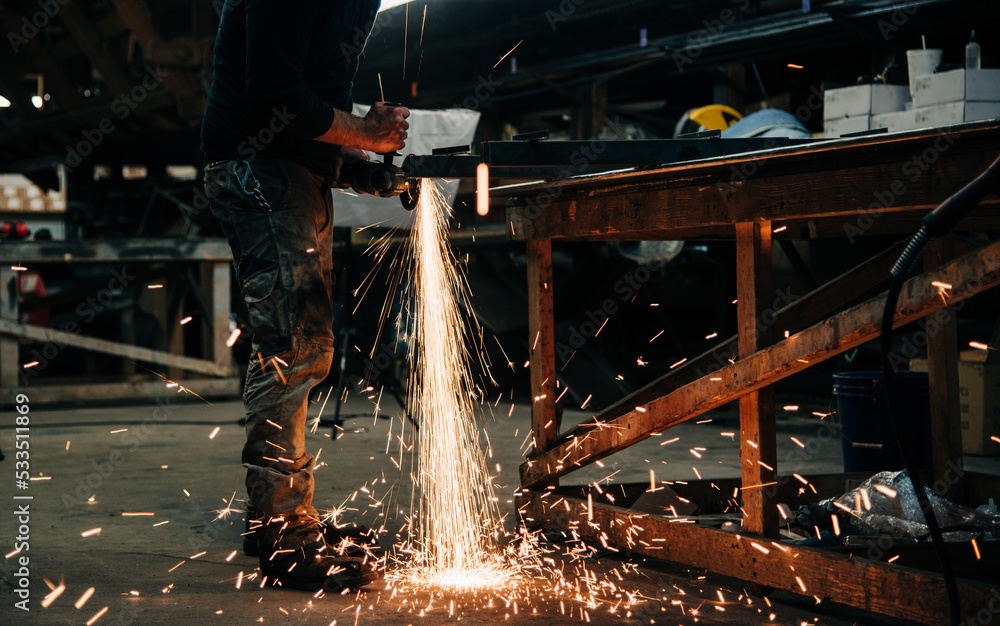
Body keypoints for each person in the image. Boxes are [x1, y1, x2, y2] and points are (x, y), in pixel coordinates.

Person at [200, 0, 409, 592]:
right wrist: (367, 131)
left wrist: (355, 163)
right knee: (296, 348)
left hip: (287, 173)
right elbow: (273, 100)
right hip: (259, 174)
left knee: (296, 346)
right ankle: (284, 534)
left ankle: (276, 517)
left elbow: (301, 113)